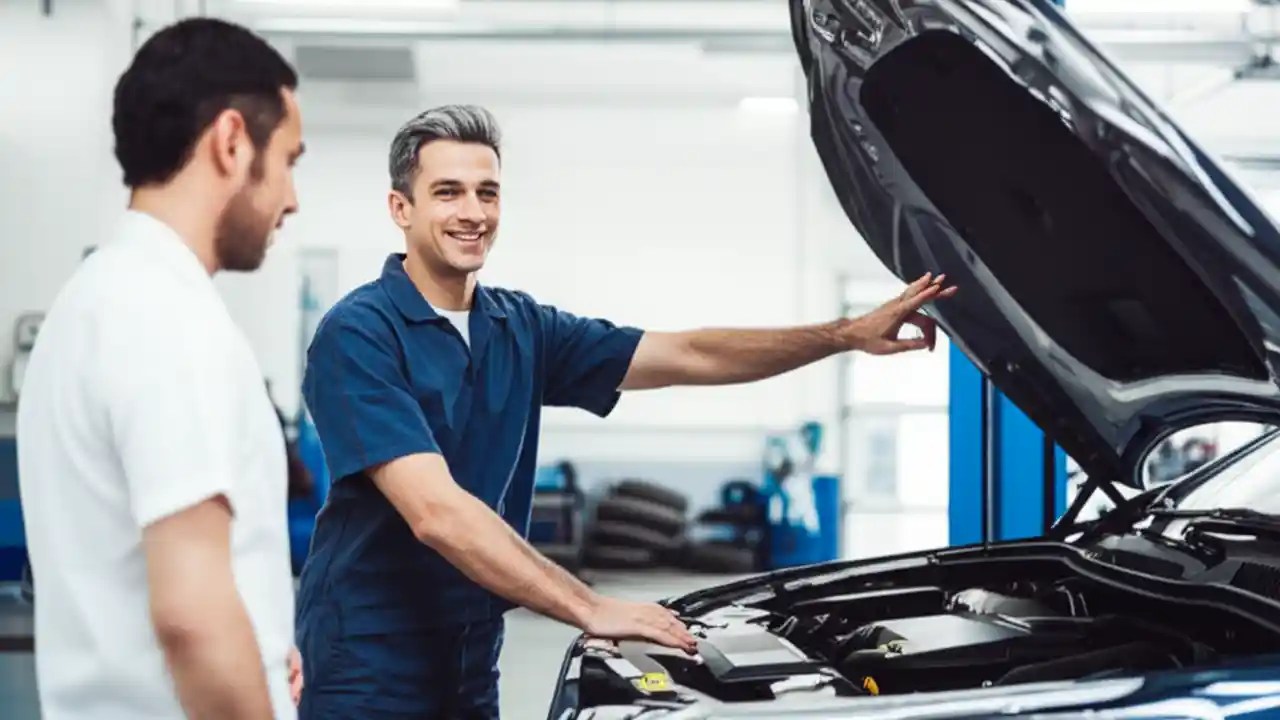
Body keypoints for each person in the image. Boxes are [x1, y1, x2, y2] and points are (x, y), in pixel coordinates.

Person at [294, 104, 957, 718]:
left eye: (487, 192)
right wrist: (589, 605)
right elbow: (436, 513)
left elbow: (689, 354)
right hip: (370, 657)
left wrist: (842, 336)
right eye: (448, 192)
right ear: (400, 208)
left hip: (469, 655)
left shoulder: (518, 326)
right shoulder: (360, 334)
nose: (474, 212)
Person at [17, 17, 306, 720]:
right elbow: (193, 618)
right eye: (290, 160)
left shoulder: (92, 299)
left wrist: (263, 650)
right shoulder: (166, 318)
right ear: (232, 142)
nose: (291, 198)